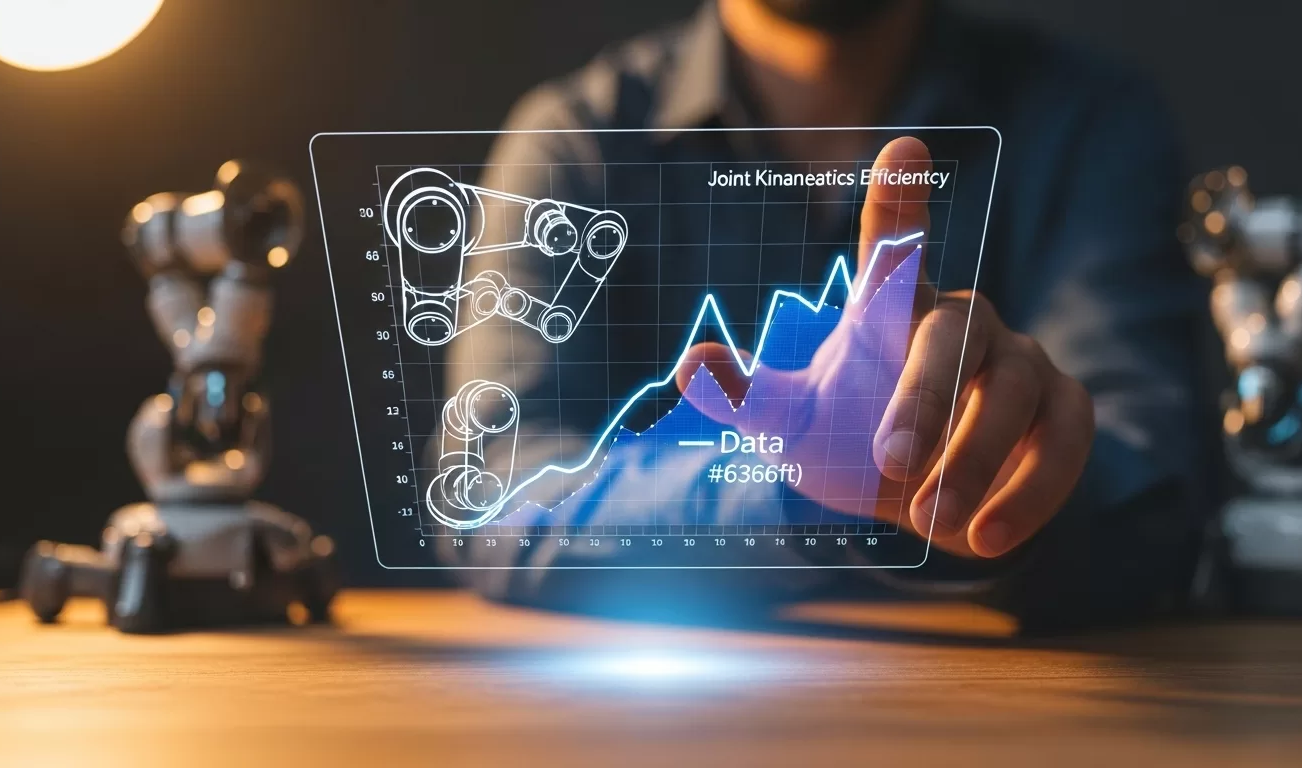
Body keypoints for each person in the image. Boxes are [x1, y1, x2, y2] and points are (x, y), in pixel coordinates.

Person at [438, 0, 1215, 631]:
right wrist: (797, 493)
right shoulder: (577, 142)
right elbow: (492, 486)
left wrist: (994, 491)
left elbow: (1152, 496)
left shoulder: (1089, 125)